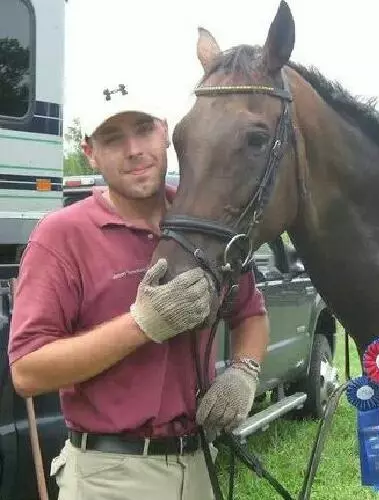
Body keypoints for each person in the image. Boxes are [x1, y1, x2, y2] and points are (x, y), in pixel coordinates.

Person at [8, 84, 270, 500]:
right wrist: (142, 324)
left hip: (200, 465)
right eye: (113, 138)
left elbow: (250, 312)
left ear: (165, 132)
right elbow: (27, 371)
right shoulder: (61, 237)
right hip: (109, 475)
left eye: (144, 129)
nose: (134, 150)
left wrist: (244, 372)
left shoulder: (203, 223)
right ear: (90, 151)